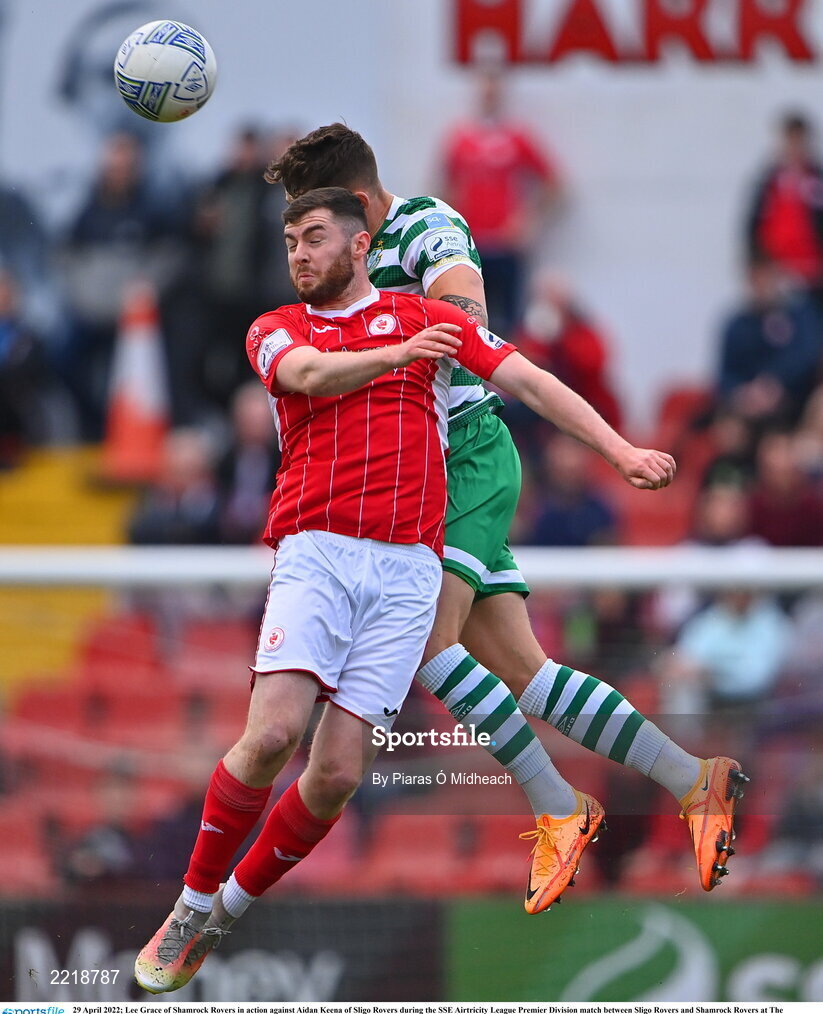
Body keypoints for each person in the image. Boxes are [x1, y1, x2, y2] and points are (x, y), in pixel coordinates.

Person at [268, 126, 749, 912]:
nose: (303, 246)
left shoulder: (425, 229)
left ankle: (558, 806)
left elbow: (475, 329)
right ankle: (693, 780)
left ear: (356, 210)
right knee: (527, 677)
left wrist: (617, 450)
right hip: (415, 478)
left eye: (314, 226)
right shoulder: (335, 282)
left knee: (419, 643)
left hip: (461, 461)